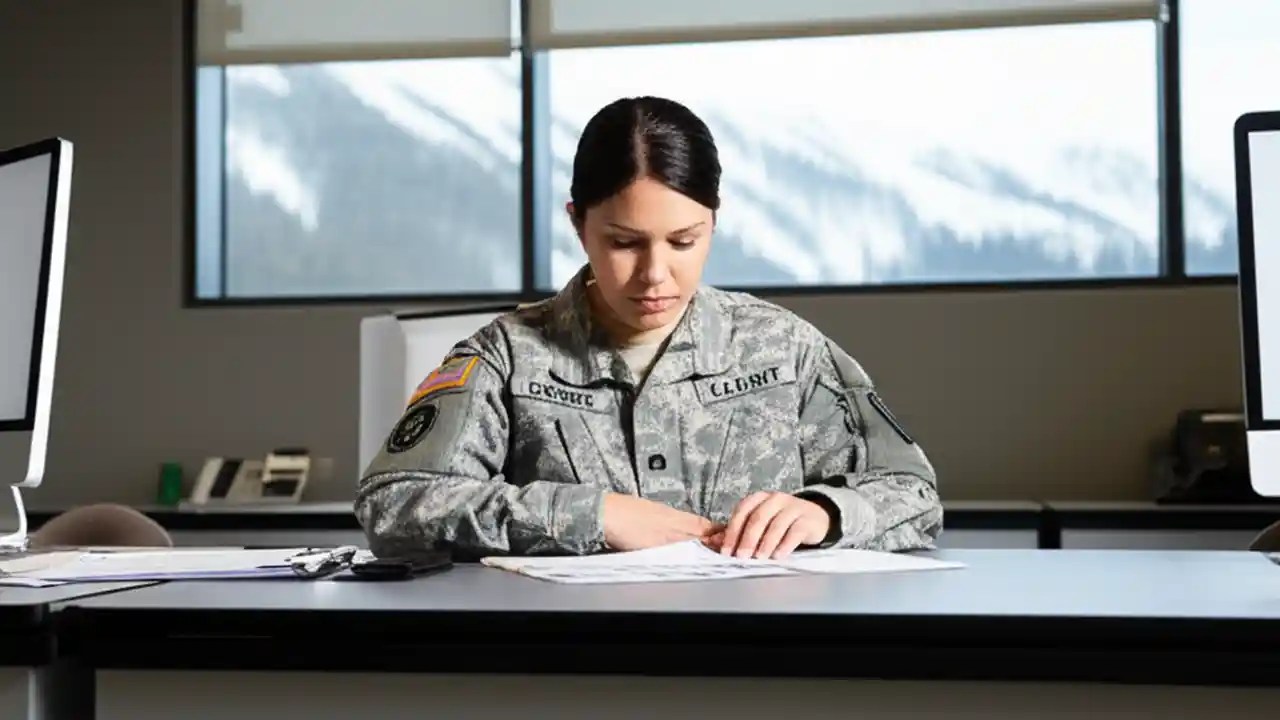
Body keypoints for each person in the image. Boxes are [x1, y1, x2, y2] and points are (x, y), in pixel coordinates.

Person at [356, 96, 942, 561]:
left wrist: (825, 513)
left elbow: (914, 497)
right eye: (624, 243)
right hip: (563, 668)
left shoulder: (784, 349)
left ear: (714, 221)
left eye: (685, 241)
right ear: (578, 225)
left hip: (763, 665)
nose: (655, 275)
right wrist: (591, 515)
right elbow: (394, 503)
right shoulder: (508, 357)